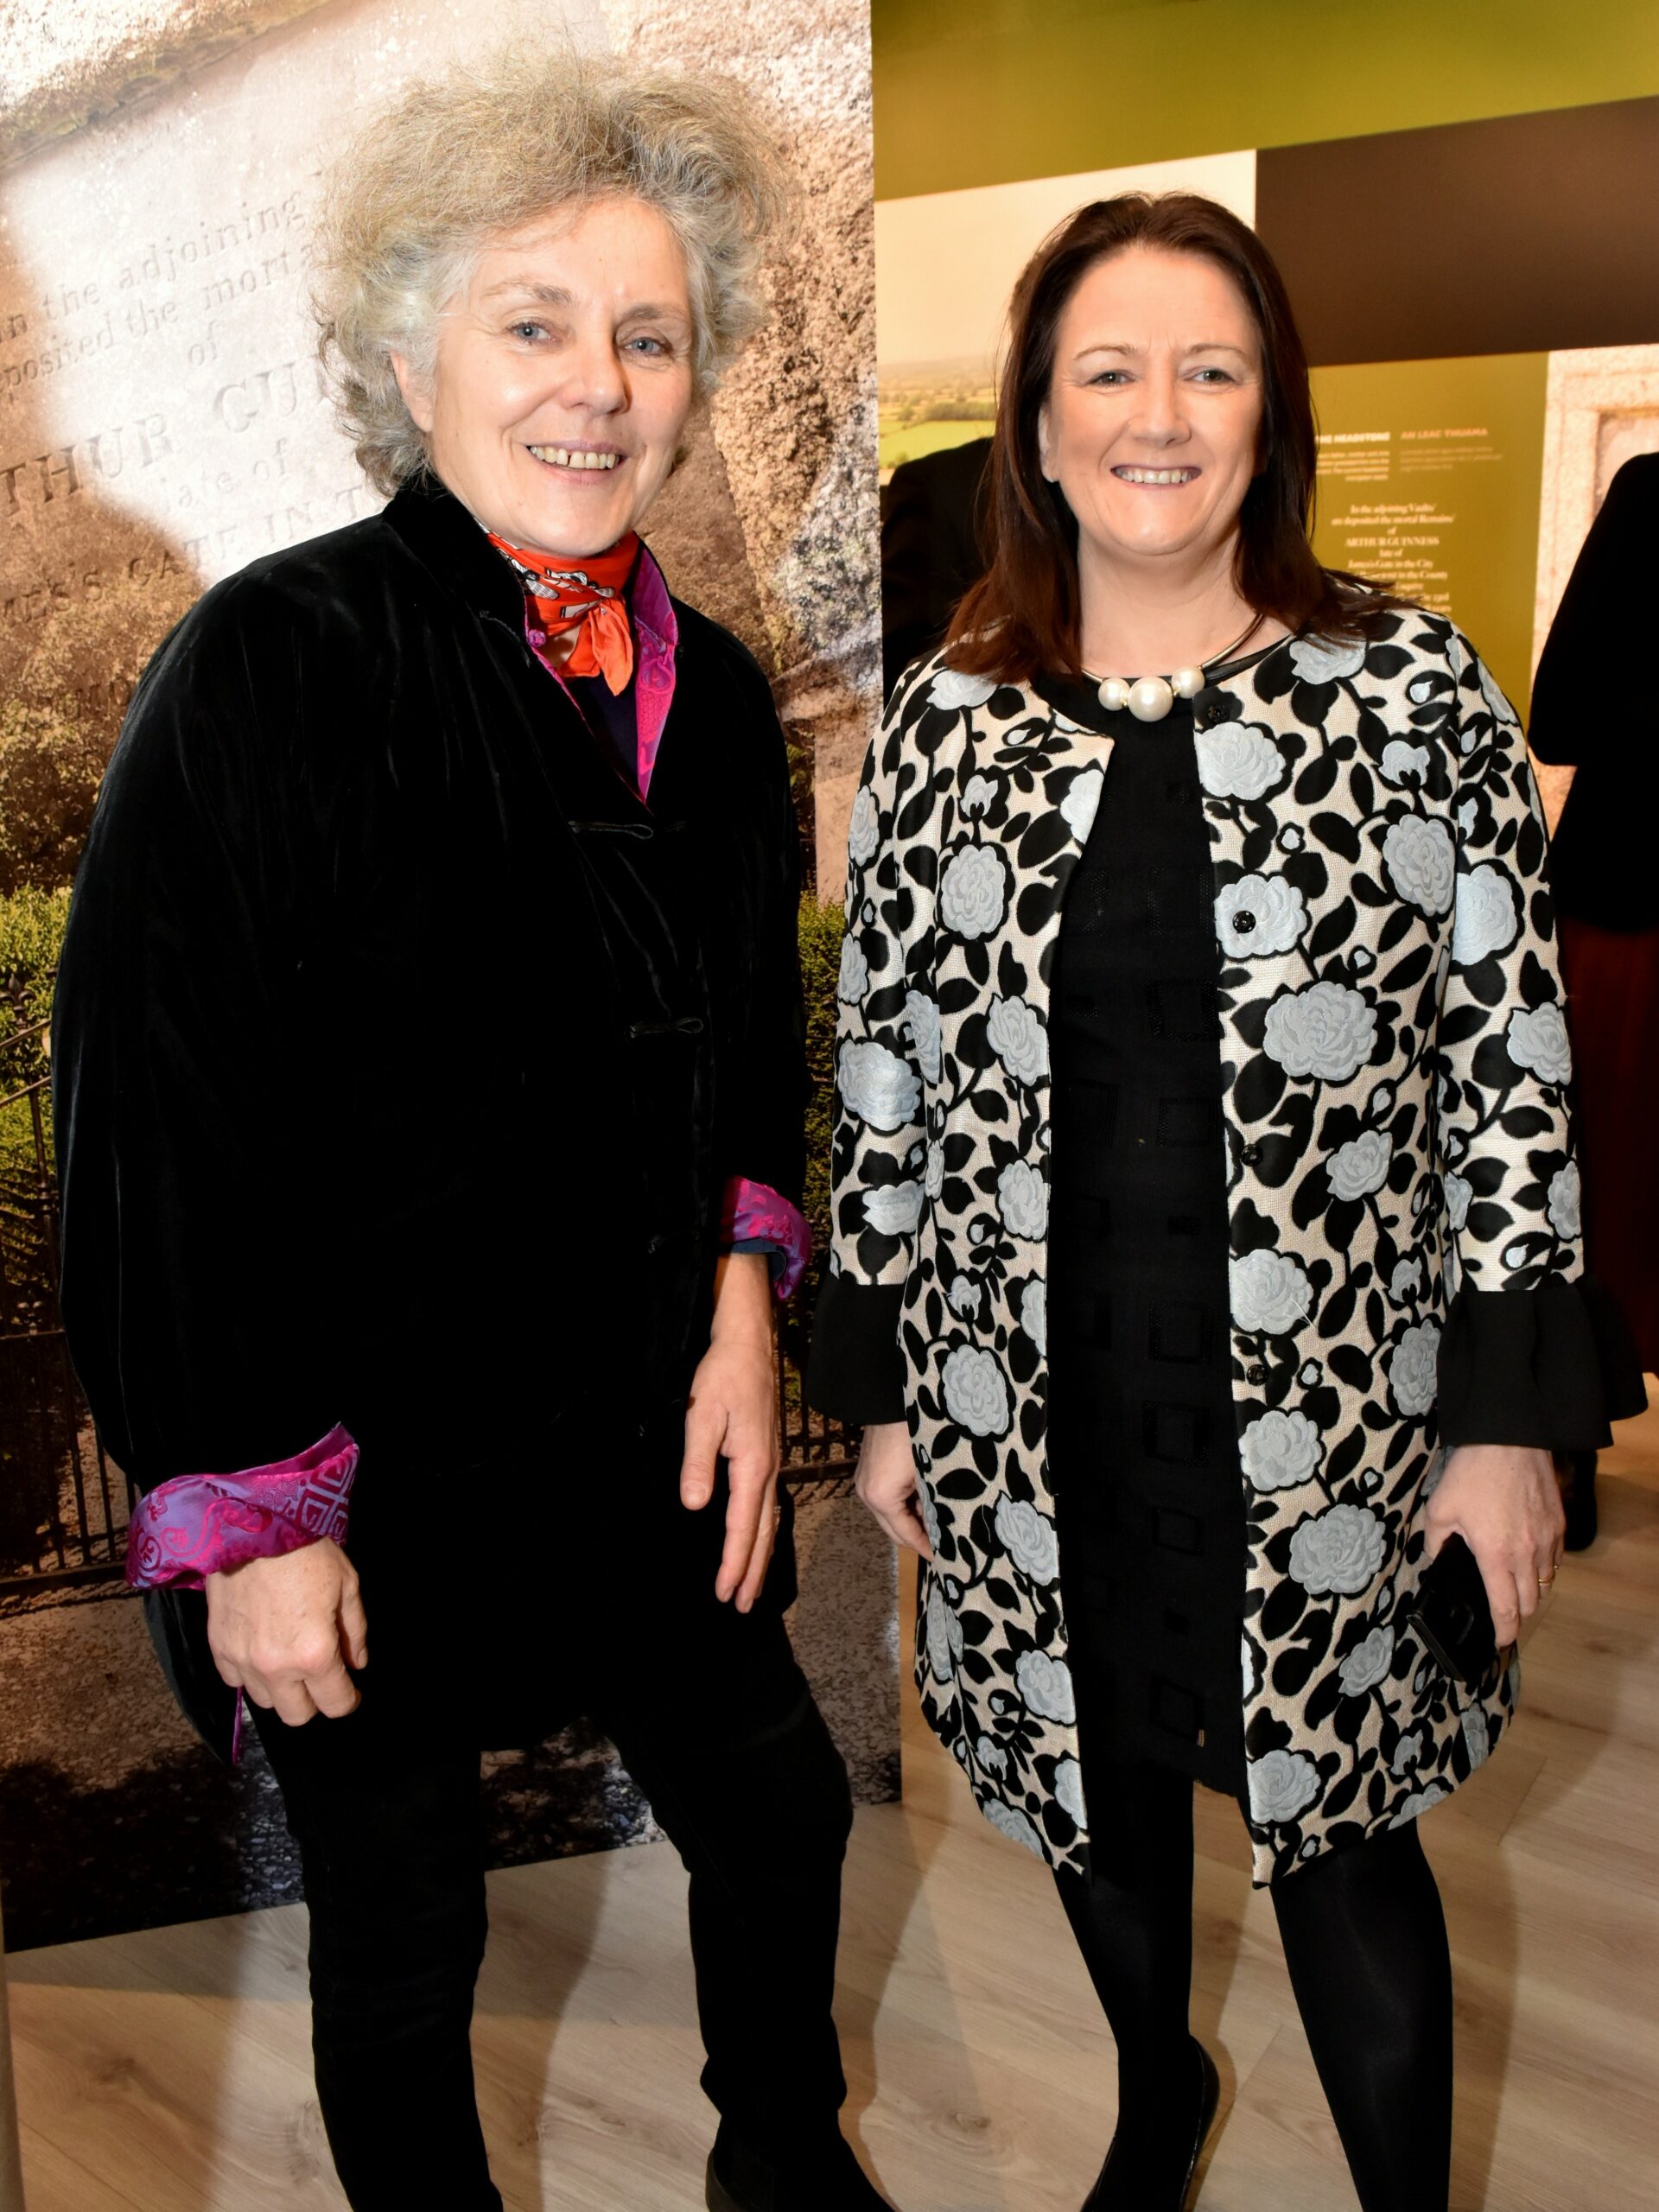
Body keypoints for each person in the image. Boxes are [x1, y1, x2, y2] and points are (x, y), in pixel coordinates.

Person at [54, 54, 893, 2212]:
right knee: (405, 1918)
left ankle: (780, 2165)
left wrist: (737, 1307)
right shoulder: (269, 662)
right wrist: (249, 1513)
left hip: (637, 1427)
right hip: (362, 1459)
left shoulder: (704, 690)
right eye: (533, 321)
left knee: (780, 1806)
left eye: (647, 332)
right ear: (409, 352)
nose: (594, 386)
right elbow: (163, 1123)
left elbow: (734, 1059)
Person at [810, 192, 1630, 2212]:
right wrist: (892, 1390)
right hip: (1037, 1406)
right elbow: (884, 1076)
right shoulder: (948, 715)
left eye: (1209, 366)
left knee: (1344, 1833)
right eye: (1109, 368)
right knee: (1096, 1799)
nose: (1157, 414)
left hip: (1333, 1419)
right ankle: (1152, 2087)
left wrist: (1512, 1415)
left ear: (1271, 411)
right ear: (1035, 415)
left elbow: (1509, 1061)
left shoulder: (1405, 686)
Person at [1529, 452, 1657, 1546]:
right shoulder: (1654, 493)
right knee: (1588, 1190)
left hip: (1629, 902)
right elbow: (1556, 716)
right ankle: (1565, 1442)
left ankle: (1569, 1448)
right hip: (1630, 906)